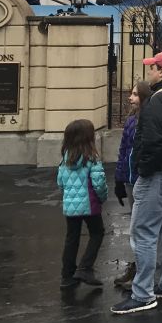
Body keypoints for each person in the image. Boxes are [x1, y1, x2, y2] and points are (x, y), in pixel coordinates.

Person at [111, 51, 162, 315]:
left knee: (143, 234)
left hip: (159, 175)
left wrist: (143, 171)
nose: (149, 71)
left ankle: (143, 294)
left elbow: (151, 142)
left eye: (152, 67)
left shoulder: (158, 101)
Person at [57, 119, 108, 290]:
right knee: (97, 233)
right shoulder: (92, 158)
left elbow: (60, 183)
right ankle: (85, 267)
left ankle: (67, 275)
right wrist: (102, 197)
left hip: (71, 206)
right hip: (89, 204)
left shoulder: (65, 159)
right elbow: (99, 183)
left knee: (72, 237)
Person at [111, 80, 152, 291]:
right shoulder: (129, 121)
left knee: (140, 229)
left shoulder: (148, 121)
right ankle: (138, 266)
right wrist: (119, 179)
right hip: (129, 179)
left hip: (142, 180)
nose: (130, 98)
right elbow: (123, 152)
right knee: (137, 228)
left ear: (144, 98)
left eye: (135, 95)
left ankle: (143, 272)